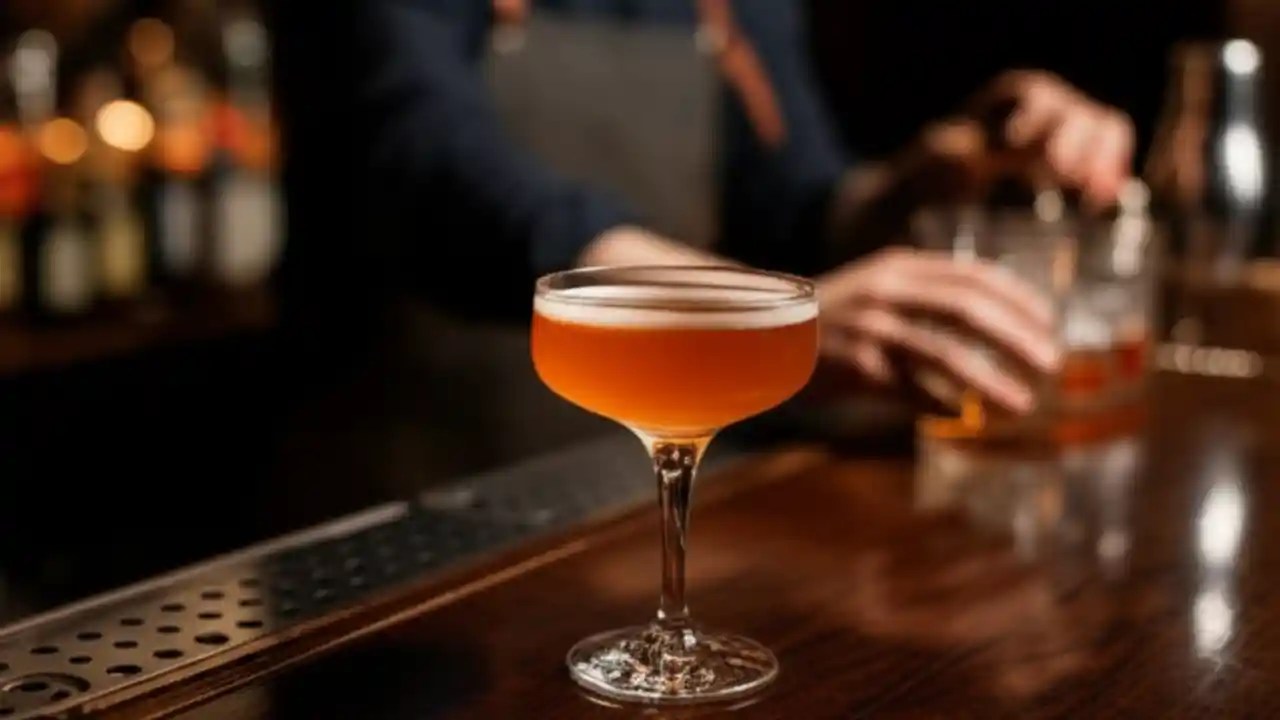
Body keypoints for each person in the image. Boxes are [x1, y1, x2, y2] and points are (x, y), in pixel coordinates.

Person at [271, 0, 1134, 416]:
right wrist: (746, 320)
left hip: (648, 501)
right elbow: (426, 166)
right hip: (417, 509)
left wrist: (949, 171)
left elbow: (802, 207)